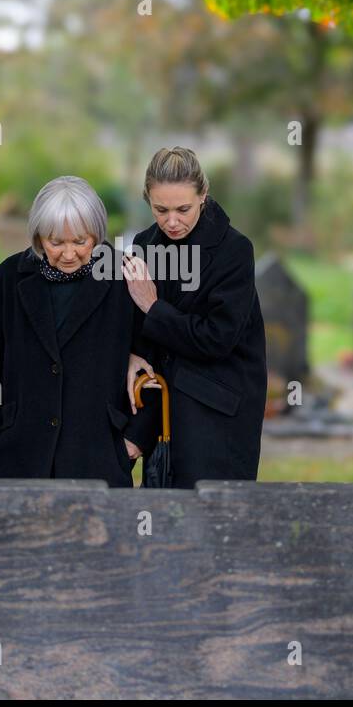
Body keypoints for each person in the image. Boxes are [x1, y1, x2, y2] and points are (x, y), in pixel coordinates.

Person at [0, 176, 144, 486]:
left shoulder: (124, 277)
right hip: (17, 452)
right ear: (38, 237)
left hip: (97, 453)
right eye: (56, 242)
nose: (68, 253)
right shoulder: (9, 276)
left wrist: (136, 437)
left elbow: (153, 358)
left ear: (98, 235)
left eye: (80, 241)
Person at [120, 146, 267, 487]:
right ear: (148, 201)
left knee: (214, 522)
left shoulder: (234, 251)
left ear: (204, 195)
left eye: (183, 209)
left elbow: (216, 338)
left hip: (218, 412)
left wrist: (153, 307)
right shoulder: (144, 246)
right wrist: (130, 354)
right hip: (162, 409)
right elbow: (140, 332)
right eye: (161, 210)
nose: (172, 221)